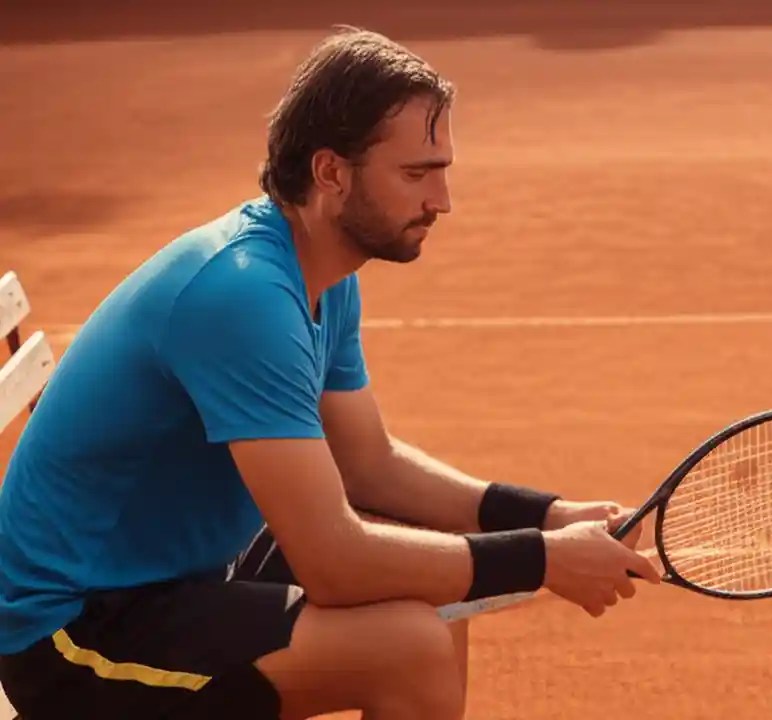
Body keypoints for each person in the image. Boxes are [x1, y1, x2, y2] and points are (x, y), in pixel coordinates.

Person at [0, 26, 660, 720]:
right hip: (71, 634)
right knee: (411, 647)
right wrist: (544, 559)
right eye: (416, 174)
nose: (442, 200)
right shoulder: (244, 296)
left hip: (176, 576)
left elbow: (369, 465)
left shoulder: (318, 271)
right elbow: (333, 563)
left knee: (435, 593)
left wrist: (546, 516)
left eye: (442, 169)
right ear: (331, 173)